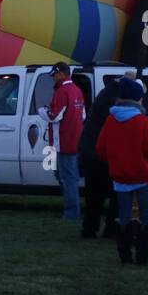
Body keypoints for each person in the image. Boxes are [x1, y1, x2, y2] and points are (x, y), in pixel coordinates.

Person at [96, 77, 148, 265]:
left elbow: (101, 149)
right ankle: (142, 255)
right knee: (145, 217)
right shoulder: (142, 122)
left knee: (123, 217)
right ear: (137, 99)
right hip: (142, 176)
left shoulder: (110, 120)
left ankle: (124, 253)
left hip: (120, 178)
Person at [38, 63, 85, 222]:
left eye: (55, 75)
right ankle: (71, 209)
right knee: (61, 174)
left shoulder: (62, 91)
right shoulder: (77, 91)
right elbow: (82, 115)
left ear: (62, 74)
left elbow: (53, 116)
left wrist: (42, 111)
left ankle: (72, 213)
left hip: (62, 142)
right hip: (73, 140)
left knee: (67, 178)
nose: (53, 78)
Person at [77, 75, 120, 239]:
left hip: (92, 153)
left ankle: (90, 228)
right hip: (100, 156)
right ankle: (109, 229)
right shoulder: (113, 103)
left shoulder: (105, 96)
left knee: (94, 196)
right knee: (111, 195)